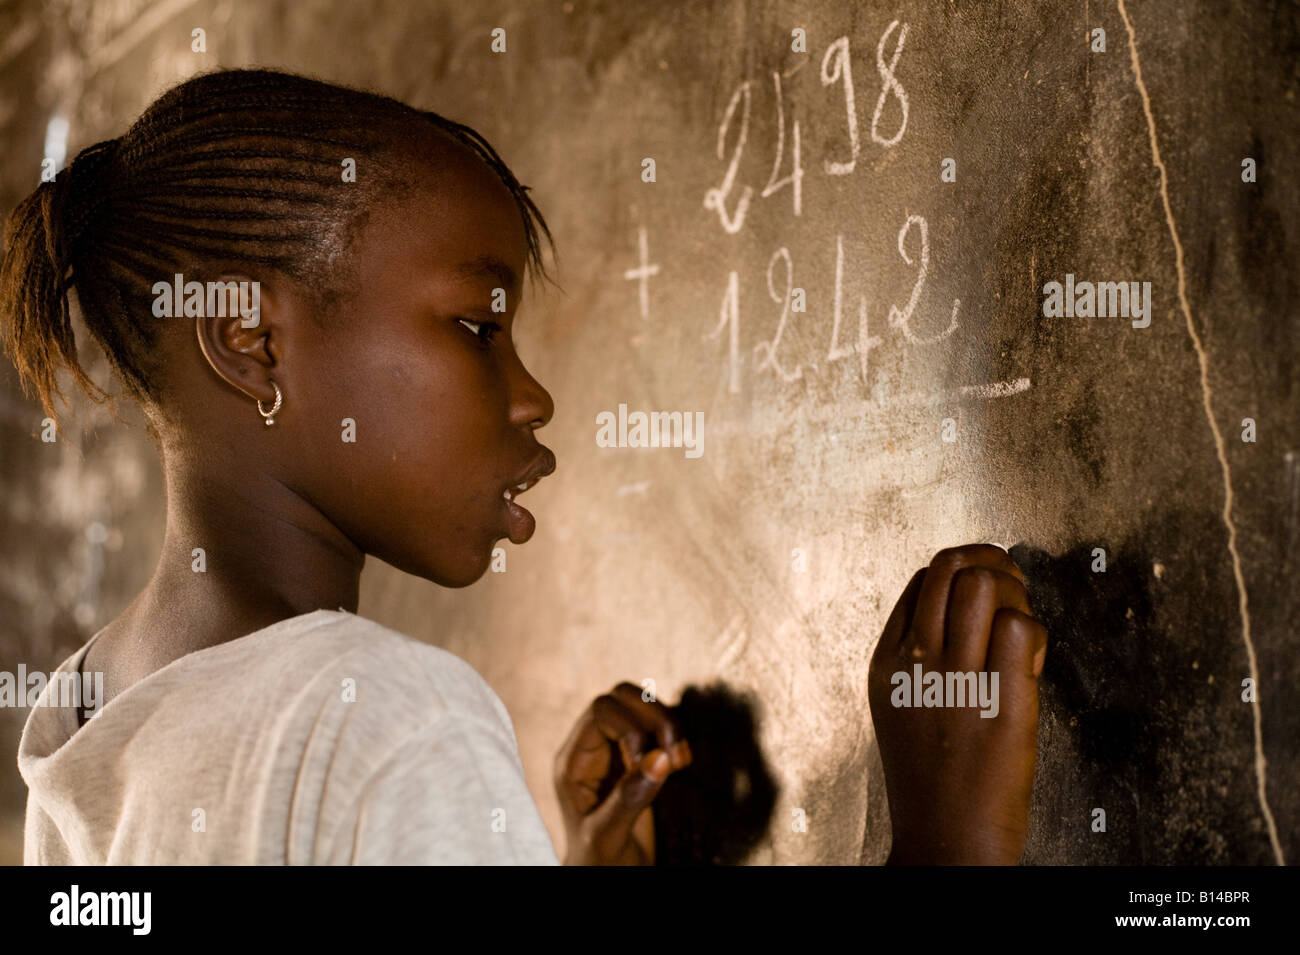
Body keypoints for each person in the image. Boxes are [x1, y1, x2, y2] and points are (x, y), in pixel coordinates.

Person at [2, 68, 1046, 865]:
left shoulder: (87, 714)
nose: (533, 396)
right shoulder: (388, 719)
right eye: (473, 325)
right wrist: (947, 848)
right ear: (246, 340)